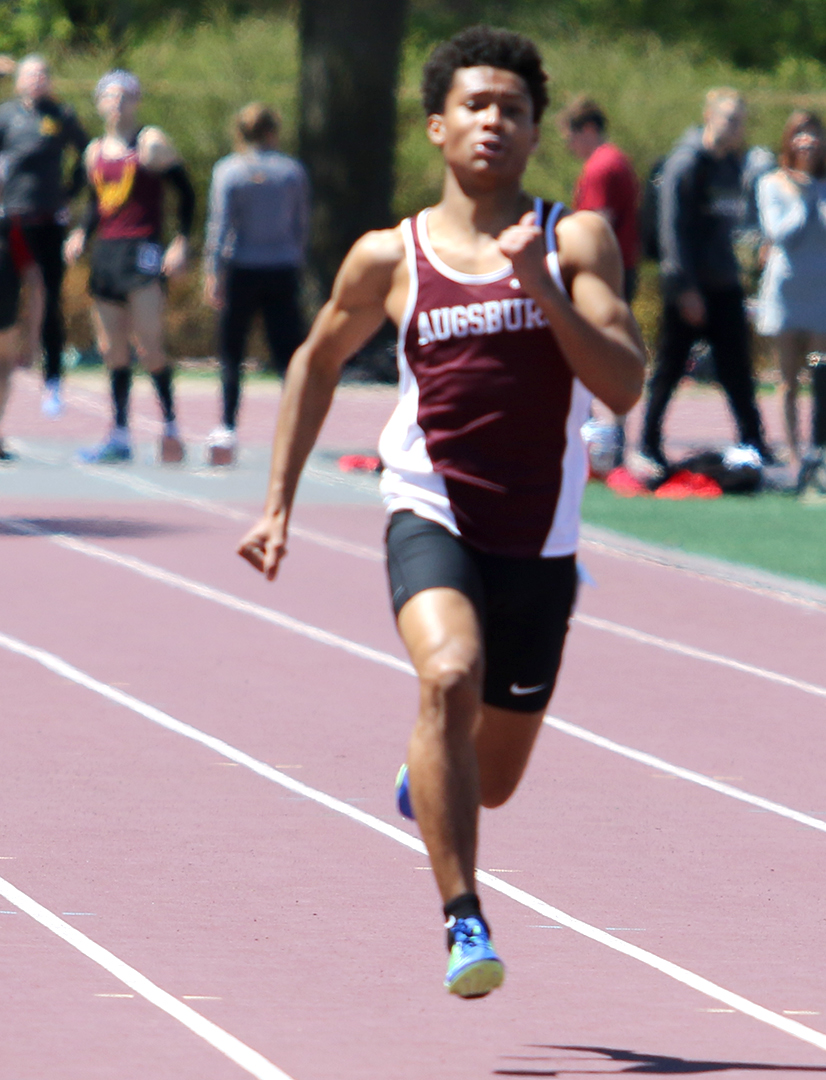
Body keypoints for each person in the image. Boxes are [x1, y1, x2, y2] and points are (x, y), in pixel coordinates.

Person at [236, 26, 646, 997]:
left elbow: (624, 384)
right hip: (433, 509)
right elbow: (316, 360)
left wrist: (541, 284)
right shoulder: (390, 255)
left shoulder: (574, 238)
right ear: (437, 126)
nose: (494, 121)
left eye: (512, 107)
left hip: (542, 536)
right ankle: (464, 919)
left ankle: (427, 780)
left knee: (488, 779)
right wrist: (278, 504)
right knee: (448, 673)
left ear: (538, 129)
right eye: (476, 104)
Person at [65, 70, 194, 465]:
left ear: (136, 101)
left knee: (150, 343)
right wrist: (80, 235)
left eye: (125, 97)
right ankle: (119, 433)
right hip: (107, 253)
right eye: (110, 96)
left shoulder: (151, 144)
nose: (117, 103)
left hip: (143, 250)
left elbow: (186, 192)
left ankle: (171, 427)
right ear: (99, 102)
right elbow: (95, 202)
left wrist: (181, 240)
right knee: (111, 348)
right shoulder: (94, 151)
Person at [637, 87, 764, 469]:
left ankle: (754, 441)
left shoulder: (732, 166)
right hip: (689, 286)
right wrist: (684, 288)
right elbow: (670, 231)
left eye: (739, 120)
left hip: (724, 282)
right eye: (728, 118)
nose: (734, 127)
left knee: (737, 367)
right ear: (709, 116)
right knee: (670, 367)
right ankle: (648, 441)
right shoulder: (686, 163)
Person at [203, 102, 309, 466]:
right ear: (271, 131)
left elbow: (219, 226)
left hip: (241, 270)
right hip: (281, 267)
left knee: (232, 351)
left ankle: (228, 424)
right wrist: (296, 259)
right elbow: (301, 223)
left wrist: (213, 271)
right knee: (288, 353)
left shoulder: (229, 171)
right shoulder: (292, 172)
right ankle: (296, 424)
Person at [755, 111, 826, 460]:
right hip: (785, 288)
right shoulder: (770, 183)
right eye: (799, 134)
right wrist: (800, 196)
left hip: (822, 287)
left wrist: (813, 187)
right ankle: (793, 451)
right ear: (789, 140)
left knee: (822, 376)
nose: (806, 142)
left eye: (813, 134)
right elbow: (779, 233)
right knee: (787, 379)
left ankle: (822, 448)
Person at [0, 55, 87, 420]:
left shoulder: (61, 115)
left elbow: (87, 153)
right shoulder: (6, 116)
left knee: (50, 299)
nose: (37, 80)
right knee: (10, 298)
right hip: (12, 223)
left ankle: (52, 380)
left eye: (43, 75)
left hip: (49, 220)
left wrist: (71, 191)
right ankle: (13, 359)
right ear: (19, 81)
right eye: (30, 75)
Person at [563, 99, 642, 474]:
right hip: (619, 270)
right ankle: (608, 437)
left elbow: (596, 223)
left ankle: (600, 440)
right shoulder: (616, 161)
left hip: (605, 273)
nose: (569, 146)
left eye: (571, 136)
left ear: (588, 130)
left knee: (592, 352)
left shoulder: (602, 165)